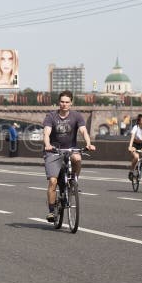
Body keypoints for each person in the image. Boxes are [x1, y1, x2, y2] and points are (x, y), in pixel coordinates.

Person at [42, 90, 96, 222]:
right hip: (53, 151)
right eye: (62, 102)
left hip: (70, 149)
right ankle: (51, 211)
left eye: (67, 102)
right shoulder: (51, 116)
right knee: (53, 181)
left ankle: (74, 181)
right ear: (58, 102)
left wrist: (89, 143)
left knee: (77, 158)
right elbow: (46, 133)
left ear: (71, 103)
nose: (64, 104)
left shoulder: (76, 116)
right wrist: (48, 145)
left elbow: (83, 130)